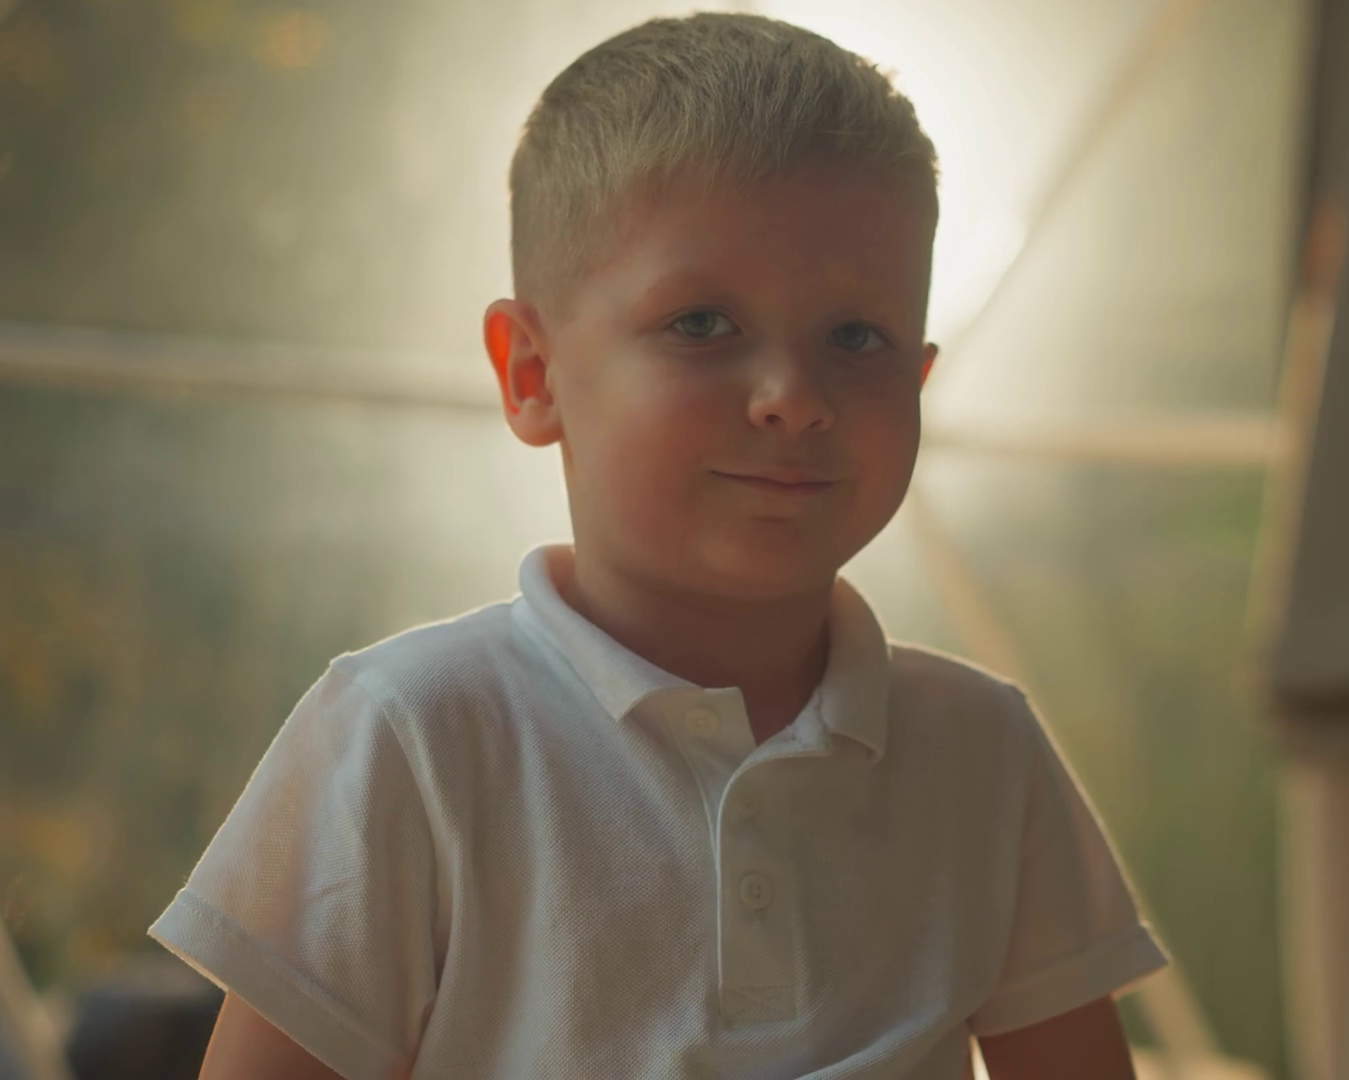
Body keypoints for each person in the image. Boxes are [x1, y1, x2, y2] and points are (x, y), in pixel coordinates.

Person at [150, 13, 1167, 1079]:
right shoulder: (411, 736)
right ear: (533, 374)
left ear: (918, 379)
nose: (792, 398)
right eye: (701, 325)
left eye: (855, 337)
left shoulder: (982, 752)